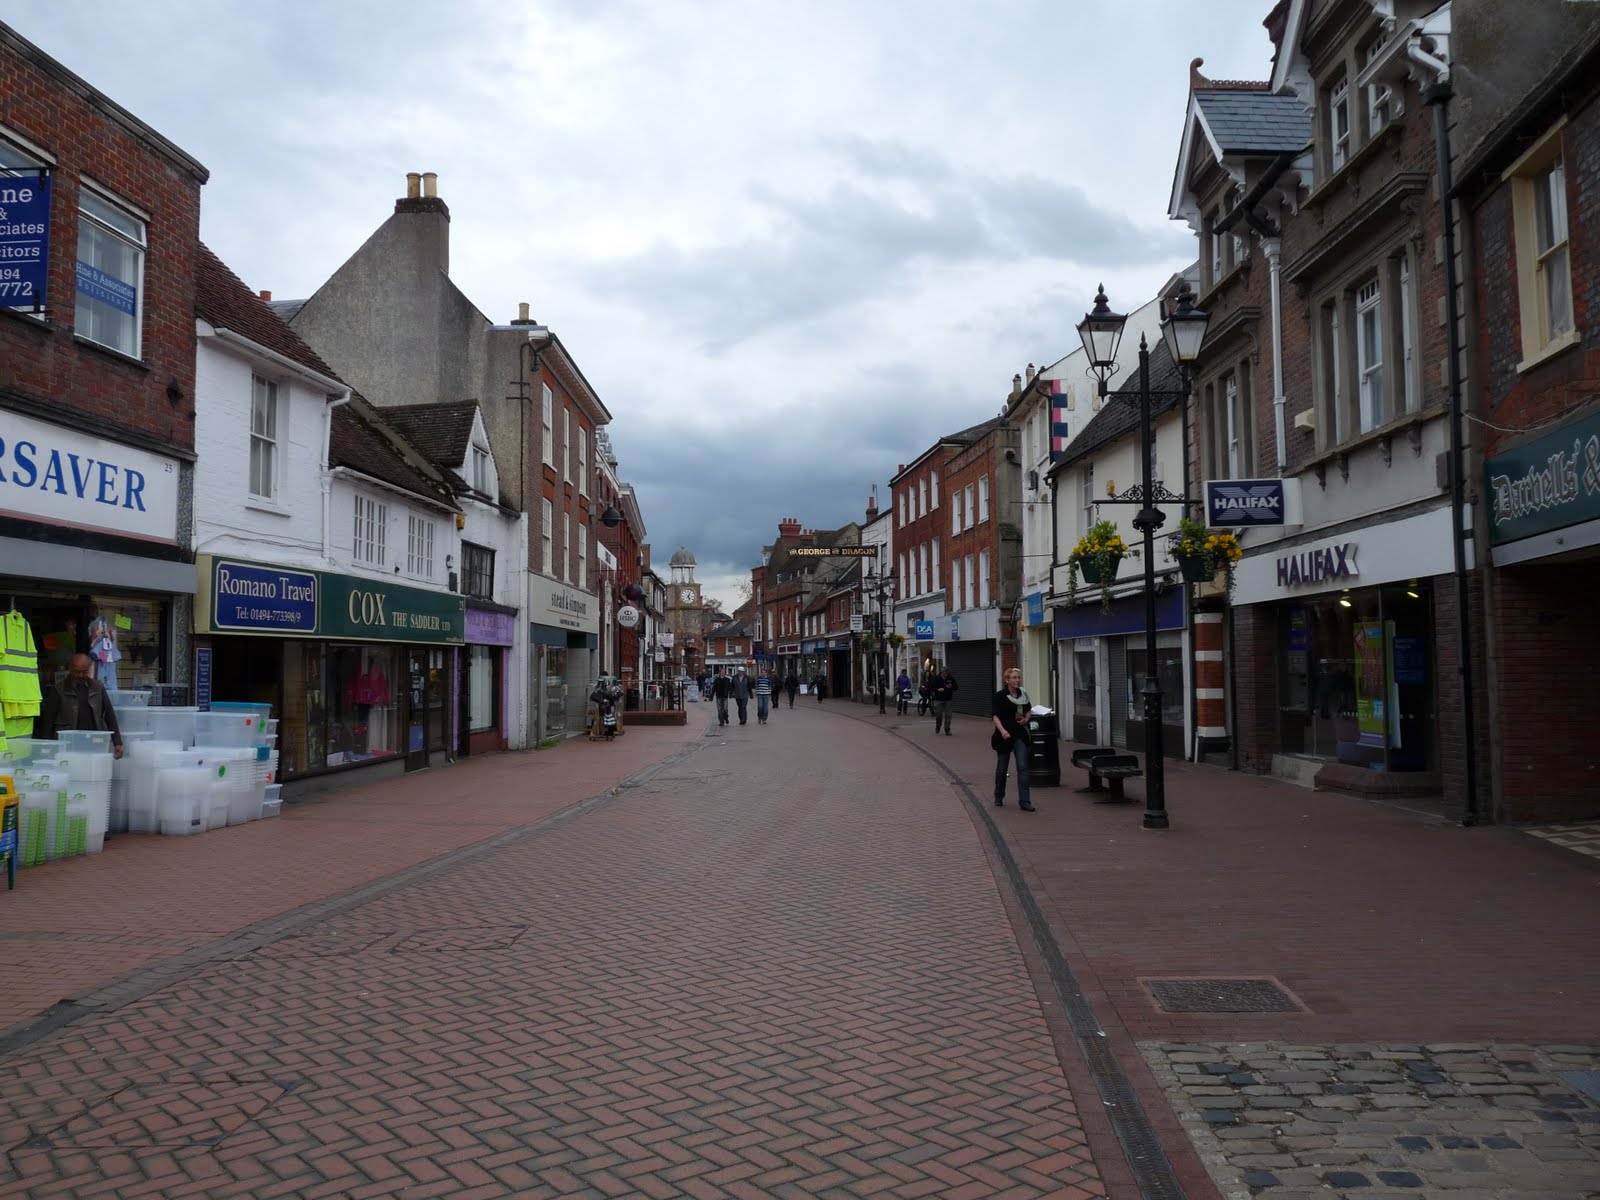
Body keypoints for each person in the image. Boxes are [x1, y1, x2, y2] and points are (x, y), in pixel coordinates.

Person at [38, 652, 125, 759]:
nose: (80, 675)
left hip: (94, 741)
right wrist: (45, 745)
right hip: (67, 743)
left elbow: (110, 715)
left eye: (84, 672)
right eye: (77, 672)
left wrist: (117, 742)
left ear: (89, 669)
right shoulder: (59, 689)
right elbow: (48, 720)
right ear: (70, 668)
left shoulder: (98, 688)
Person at [991, 667, 1036, 811]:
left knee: (1023, 767)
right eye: (1014, 678)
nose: (1018, 680)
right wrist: (1003, 731)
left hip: (1020, 735)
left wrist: (1026, 719)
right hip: (1004, 736)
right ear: (1007, 680)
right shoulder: (1000, 696)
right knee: (1002, 769)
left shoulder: (1023, 694)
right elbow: (995, 716)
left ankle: (1025, 801)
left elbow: (1028, 710)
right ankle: (998, 796)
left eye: (1019, 677)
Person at [930, 666, 958, 735]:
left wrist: (951, 686)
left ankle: (947, 729)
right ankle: (938, 726)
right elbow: (931, 687)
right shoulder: (936, 678)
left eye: (947, 673)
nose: (946, 674)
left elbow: (956, 687)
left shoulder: (950, 678)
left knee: (948, 715)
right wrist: (937, 689)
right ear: (942, 672)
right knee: (939, 715)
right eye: (944, 673)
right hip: (939, 699)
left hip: (948, 699)